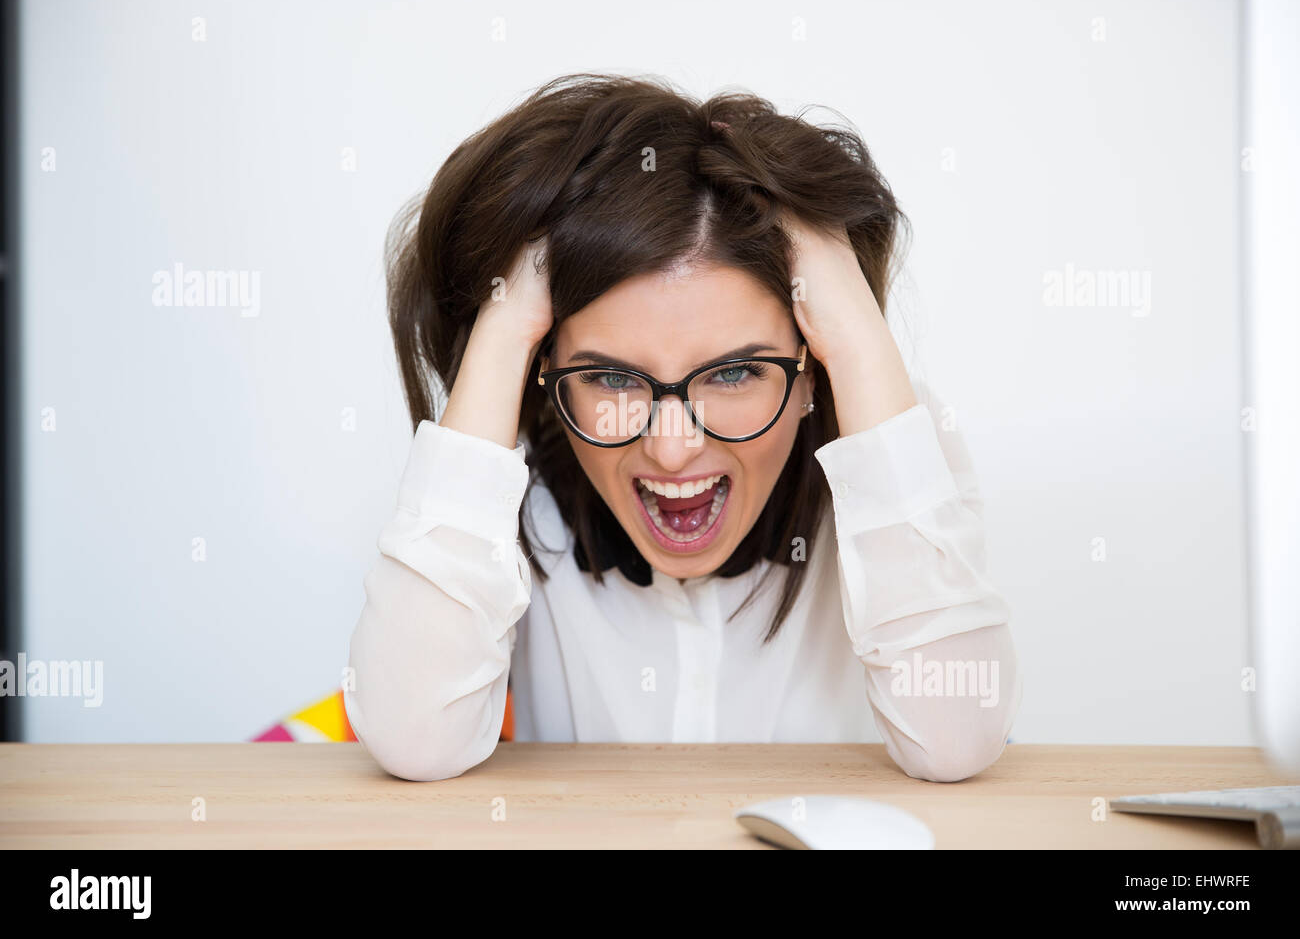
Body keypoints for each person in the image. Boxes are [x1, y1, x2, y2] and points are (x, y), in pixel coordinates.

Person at [344, 73, 1022, 783]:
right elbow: (415, 741)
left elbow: (957, 743)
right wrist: (507, 321)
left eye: (733, 373)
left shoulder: (897, 442)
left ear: (812, 365)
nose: (672, 447)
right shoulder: (509, 482)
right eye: (610, 376)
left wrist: (855, 328)